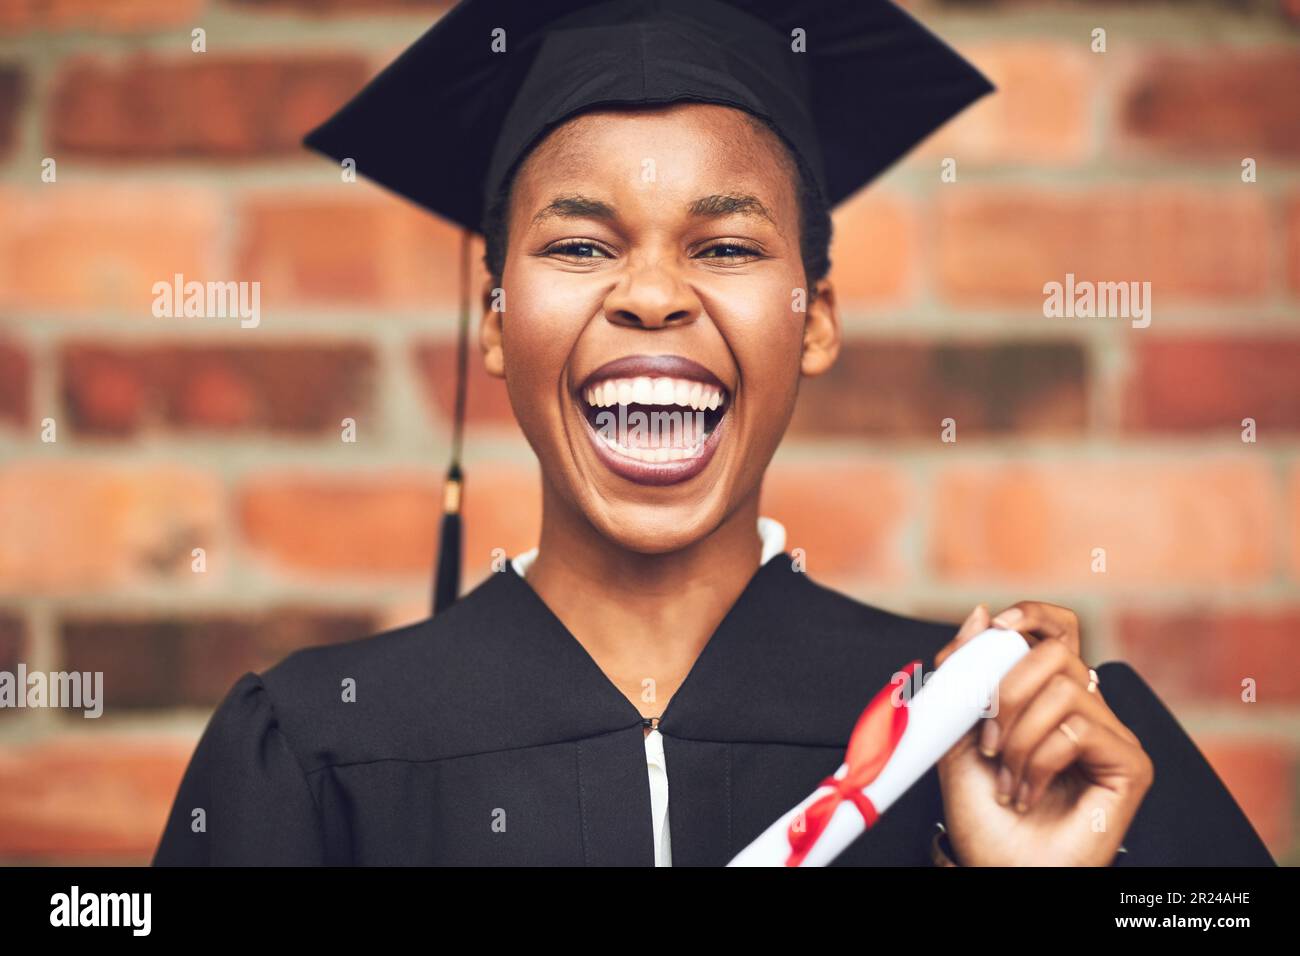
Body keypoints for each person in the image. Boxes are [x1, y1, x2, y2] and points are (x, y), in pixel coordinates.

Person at [152, 0, 1275, 867]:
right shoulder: (312, 755)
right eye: (581, 246)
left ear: (816, 320)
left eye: (726, 247)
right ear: (494, 321)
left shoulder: (1016, 743)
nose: (652, 295)